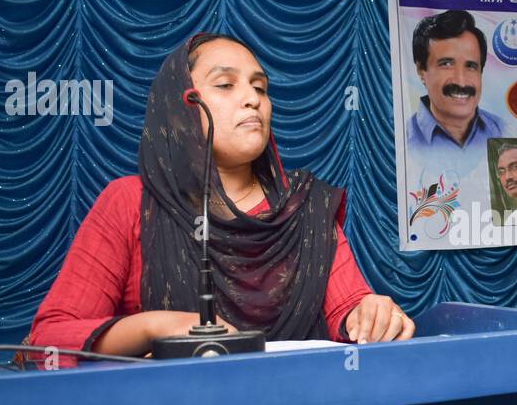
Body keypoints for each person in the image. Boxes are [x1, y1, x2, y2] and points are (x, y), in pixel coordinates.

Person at [29, 33, 414, 361]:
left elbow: (350, 310)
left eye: (260, 87)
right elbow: (48, 340)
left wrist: (373, 313)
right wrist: (161, 327)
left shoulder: (305, 208)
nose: (252, 99)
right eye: (226, 85)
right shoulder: (130, 203)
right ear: (180, 105)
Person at [406, 10, 504, 166]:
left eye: (471, 66)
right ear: (421, 70)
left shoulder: (503, 132)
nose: (461, 81)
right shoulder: (400, 141)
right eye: (446, 64)